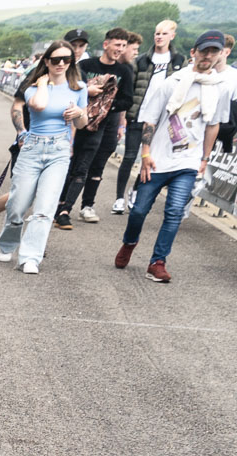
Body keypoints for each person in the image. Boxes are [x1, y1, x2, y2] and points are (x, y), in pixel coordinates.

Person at [115, 32, 234, 282]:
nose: (208, 56)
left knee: (174, 212)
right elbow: (150, 118)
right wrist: (145, 154)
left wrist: (204, 159)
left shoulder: (221, 88)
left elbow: (213, 125)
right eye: (204, 51)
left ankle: (158, 262)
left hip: (188, 163)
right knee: (139, 211)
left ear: (221, 54)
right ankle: (129, 242)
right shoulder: (171, 82)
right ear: (194, 52)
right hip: (157, 159)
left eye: (214, 52)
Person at [0, 42, 88, 274]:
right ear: (46, 61)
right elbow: (38, 104)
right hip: (33, 148)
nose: (62, 64)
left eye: (66, 59)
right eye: (56, 60)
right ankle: (8, 243)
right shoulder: (33, 86)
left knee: (45, 208)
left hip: (59, 151)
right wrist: (45, 82)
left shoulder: (79, 88)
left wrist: (79, 113)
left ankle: (30, 258)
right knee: (17, 206)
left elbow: (82, 124)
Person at [56, 28, 135, 227]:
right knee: (73, 164)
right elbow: (73, 92)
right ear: (105, 44)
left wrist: (106, 107)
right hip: (79, 121)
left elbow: (127, 100)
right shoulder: (85, 65)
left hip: (105, 124)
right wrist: (88, 92)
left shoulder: (124, 71)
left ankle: (81, 206)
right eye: (117, 45)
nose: (120, 49)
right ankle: (59, 204)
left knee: (93, 165)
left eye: (124, 46)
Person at [116, 21, 180, 213]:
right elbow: (129, 89)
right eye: (156, 33)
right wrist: (124, 117)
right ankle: (119, 197)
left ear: (172, 36)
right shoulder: (142, 60)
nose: (159, 36)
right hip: (139, 115)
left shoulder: (178, 61)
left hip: (160, 121)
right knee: (129, 157)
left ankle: (135, 191)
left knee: (149, 159)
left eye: (163, 33)